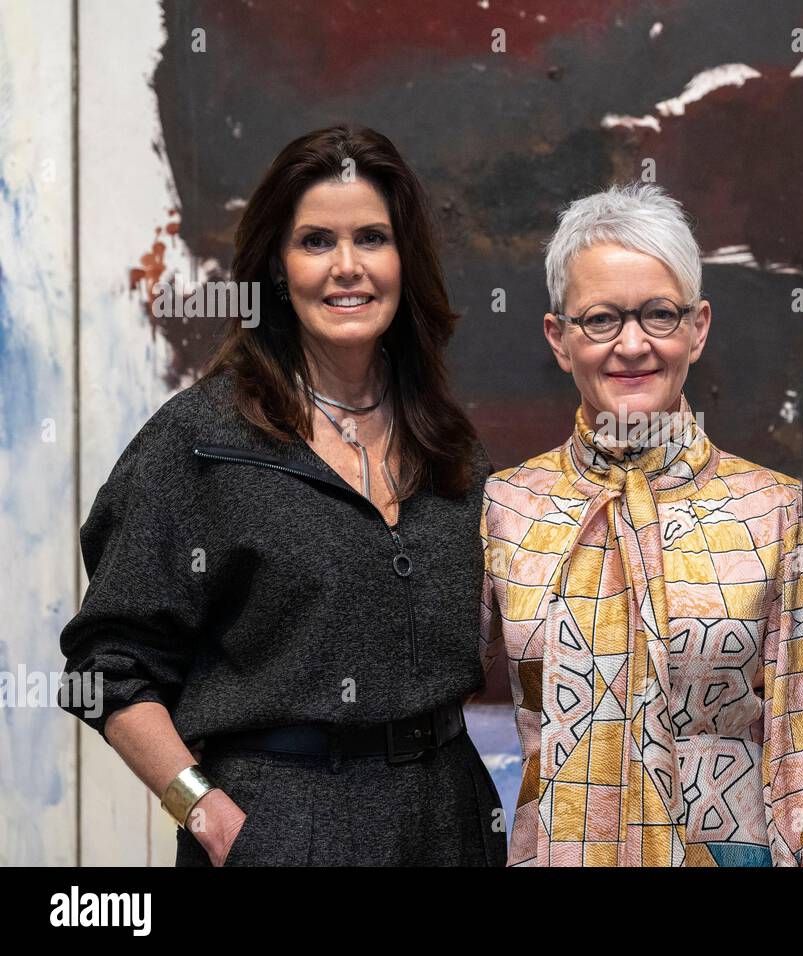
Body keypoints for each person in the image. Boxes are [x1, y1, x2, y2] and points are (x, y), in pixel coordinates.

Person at [59, 125, 506, 866]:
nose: (348, 267)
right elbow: (101, 673)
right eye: (316, 242)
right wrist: (205, 812)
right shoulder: (200, 439)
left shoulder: (449, 443)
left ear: (405, 259)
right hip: (284, 827)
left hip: (450, 822)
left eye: (372, 237)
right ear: (274, 266)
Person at [479, 183, 803, 866]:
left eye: (658, 315)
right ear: (558, 338)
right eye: (600, 320)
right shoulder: (506, 507)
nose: (632, 345)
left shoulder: (776, 513)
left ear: (698, 328)